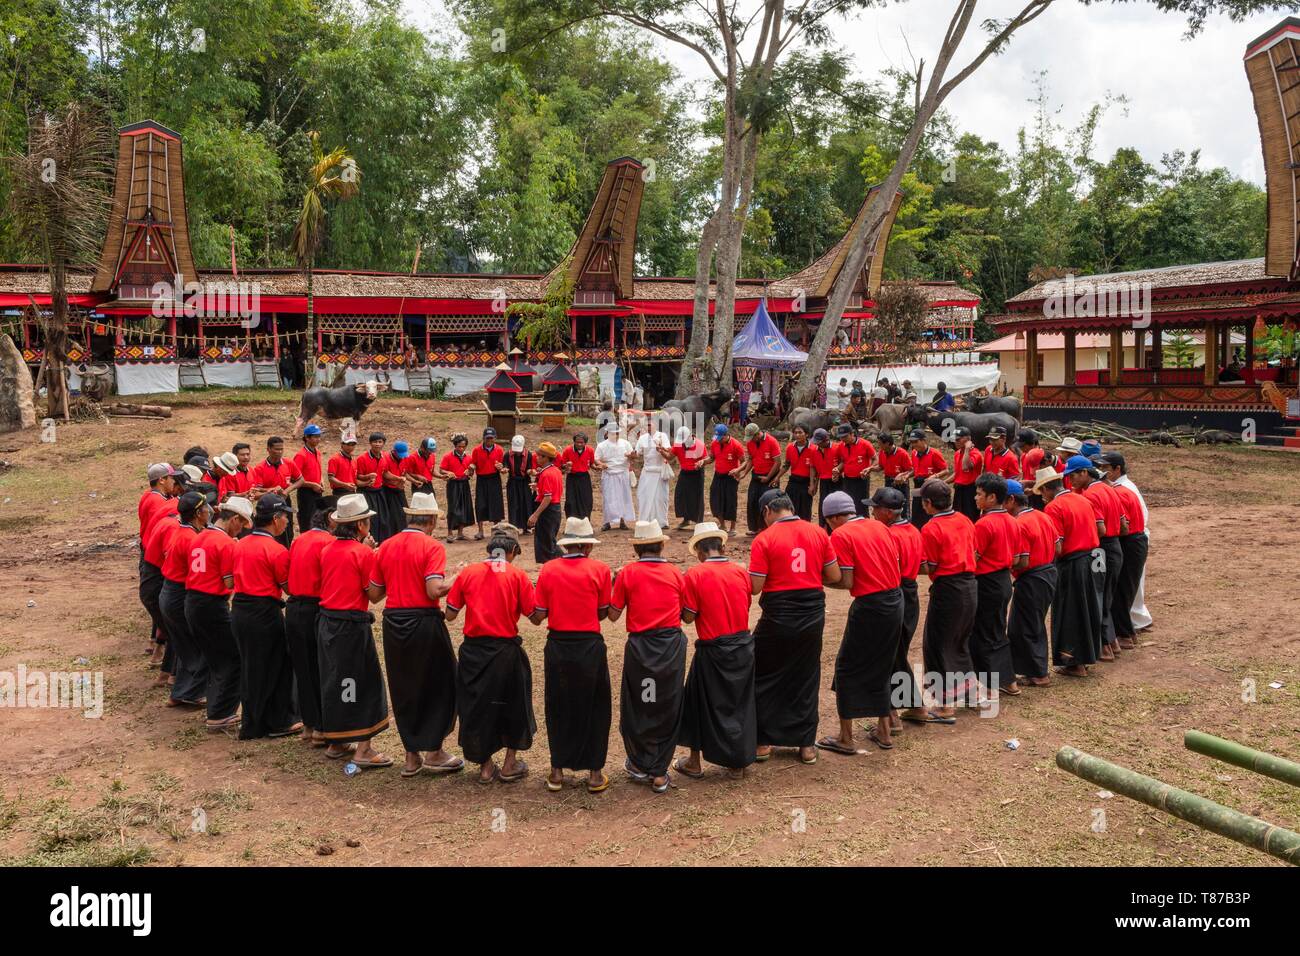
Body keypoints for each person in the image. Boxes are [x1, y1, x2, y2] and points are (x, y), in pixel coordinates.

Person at [367, 493, 462, 778]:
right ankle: (434, 750)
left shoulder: (386, 546)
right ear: (431, 520)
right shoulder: (431, 547)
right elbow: (434, 590)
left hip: (393, 621)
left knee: (404, 685)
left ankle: (411, 755)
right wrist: (458, 576)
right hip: (423, 620)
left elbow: (374, 594)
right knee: (440, 683)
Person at [748, 490, 841, 764]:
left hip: (779, 613)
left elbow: (755, 587)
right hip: (812, 613)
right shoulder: (818, 533)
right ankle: (805, 745)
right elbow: (834, 575)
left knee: (763, 675)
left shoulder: (764, 539)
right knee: (806, 675)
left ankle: (763, 742)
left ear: (767, 511)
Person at [445, 526, 537, 784]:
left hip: (474, 652)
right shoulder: (517, 576)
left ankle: (485, 767)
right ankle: (509, 764)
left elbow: (450, 614)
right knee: (514, 705)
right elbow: (535, 617)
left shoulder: (468, 573)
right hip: (505, 652)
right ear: (513, 551)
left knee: (476, 707)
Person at [530, 517, 613, 794]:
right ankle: (594, 773)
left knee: (558, 705)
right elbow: (603, 612)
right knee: (595, 706)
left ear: (566, 545)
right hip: (589, 644)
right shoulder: (599, 570)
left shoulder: (549, 569)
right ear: (588, 546)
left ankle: (557, 772)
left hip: (559, 644)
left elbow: (539, 615)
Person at [818, 491, 904, 753]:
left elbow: (846, 581)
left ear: (833, 518)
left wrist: (818, 577)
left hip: (870, 606)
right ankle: (884, 730)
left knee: (847, 667)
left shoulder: (842, 535)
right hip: (895, 599)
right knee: (883, 664)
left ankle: (846, 738)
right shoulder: (879, 526)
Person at [608, 520, 687, 794]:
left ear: (637, 549)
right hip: (669, 648)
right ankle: (660, 770)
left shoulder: (628, 573)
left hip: (642, 650)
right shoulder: (676, 573)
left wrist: (615, 581)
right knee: (667, 703)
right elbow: (687, 614)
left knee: (644, 702)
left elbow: (614, 614)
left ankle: (642, 761)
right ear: (662, 544)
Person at [316, 493, 391, 767]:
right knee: (361, 682)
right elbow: (373, 595)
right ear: (361, 526)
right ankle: (363, 749)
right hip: (351, 625)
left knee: (338, 682)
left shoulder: (326, 549)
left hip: (327, 622)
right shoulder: (361, 553)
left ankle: (337, 740)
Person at [678, 521, 756, 778]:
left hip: (713, 648)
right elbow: (745, 604)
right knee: (739, 703)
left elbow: (689, 617)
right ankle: (737, 762)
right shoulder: (740, 571)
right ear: (722, 546)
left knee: (697, 703)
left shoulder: (695, 575)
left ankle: (694, 761)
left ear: (700, 552)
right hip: (742, 644)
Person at [231, 494, 300, 740]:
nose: (287, 524)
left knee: (251, 666)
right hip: (264, 611)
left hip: (240, 609)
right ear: (275, 519)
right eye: (285, 518)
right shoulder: (276, 550)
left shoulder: (239, 544)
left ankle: (252, 721)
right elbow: (290, 587)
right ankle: (276, 721)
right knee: (275, 666)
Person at [185, 495, 252, 732]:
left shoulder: (201, 535)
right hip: (211, 604)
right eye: (242, 525)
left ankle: (216, 708)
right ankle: (220, 713)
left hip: (192, 601)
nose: (241, 531)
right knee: (234, 658)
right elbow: (228, 581)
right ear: (234, 519)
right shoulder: (225, 543)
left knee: (216, 658)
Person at [916, 479, 977, 723]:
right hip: (970, 585)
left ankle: (944, 705)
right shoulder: (964, 519)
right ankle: (970, 692)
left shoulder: (931, 528)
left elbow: (930, 564)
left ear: (929, 503)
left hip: (948, 587)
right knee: (960, 640)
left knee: (937, 643)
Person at [1037, 466, 1102, 677]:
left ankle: (1074, 662)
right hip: (1091, 558)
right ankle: (1086, 656)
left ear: (1047, 489)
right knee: (1087, 607)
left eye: (1042, 492)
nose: (1042, 497)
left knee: (1069, 612)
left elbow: (1058, 545)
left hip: (1071, 562)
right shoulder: (1083, 499)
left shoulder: (1054, 508)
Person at [869, 486, 925, 729]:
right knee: (895, 651)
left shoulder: (889, 535)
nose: (871, 513)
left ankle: (893, 714)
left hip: (894, 591)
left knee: (888, 653)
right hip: (910, 591)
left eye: (875, 508)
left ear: (888, 513)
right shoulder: (913, 530)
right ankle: (912, 707)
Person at [285, 496, 336, 747]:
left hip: (294, 607)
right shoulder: (329, 543)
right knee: (321, 669)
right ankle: (322, 727)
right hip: (316, 608)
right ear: (330, 518)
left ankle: (308, 725)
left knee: (303, 669)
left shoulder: (299, 539)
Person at [1069, 454, 1127, 661]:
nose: (1071, 480)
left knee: (1097, 597)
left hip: (1100, 549)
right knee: (1106, 596)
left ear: (1085, 473)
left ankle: (1104, 646)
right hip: (1115, 547)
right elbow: (1123, 525)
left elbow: (1099, 529)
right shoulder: (1108, 488)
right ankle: (1112, 643)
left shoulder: (1091, 495)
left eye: (1074, 475)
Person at [157, 491, 210, 708]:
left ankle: (179, 693)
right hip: (180, 596)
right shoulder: (193, 539)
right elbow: (200, 575)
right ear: (198, 513)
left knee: (184, 646)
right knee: (198, 646)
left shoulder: (180, 531)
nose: (210, 512)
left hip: (168, 593)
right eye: (206, 509)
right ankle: (192, 693)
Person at [971, 473, 1020, 698]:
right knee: (998, 629)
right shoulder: (1012, 520)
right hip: (1004, 580)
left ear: (992, 497)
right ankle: (1008, 681)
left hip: (986, 582)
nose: (975, 498)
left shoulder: (984, 524)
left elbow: (974, 558)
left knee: (982, 632)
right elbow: (1017, 557)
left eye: (979, 494)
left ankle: (989, 686)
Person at [1005, 479, 1057, 687]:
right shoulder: (1042, 515)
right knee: (1031, 623)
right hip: (1048, 571)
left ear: (1011, 500)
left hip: (1032, 576)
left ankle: (1038, 673)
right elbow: (1058, 546)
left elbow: (1022, 560)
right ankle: (1035, 670)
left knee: (1025, 626)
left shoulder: (1019, 523)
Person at [1095, 452, 1148, 651]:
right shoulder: (1124, 489)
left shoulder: (1120, 491)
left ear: (1117, 469)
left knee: (1121, 591)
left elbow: (1123, 526)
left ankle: (1125, 634)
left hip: (1129, 541)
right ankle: (1127, 633)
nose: (1104, 472)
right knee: (1124, 588)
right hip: (1134, 540)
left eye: (1106, 468)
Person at [139, 463, 181, 667]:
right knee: (165, 610)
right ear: (162, 480)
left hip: (150, 553)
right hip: (156, 558)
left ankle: (158, 648)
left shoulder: (152, 496)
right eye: (172, 478)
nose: (175, 483)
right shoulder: (157, 502)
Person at [740, 422, 782, 536]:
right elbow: (750, 460)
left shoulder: (772, 441)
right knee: (752, 501)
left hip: (770, 476)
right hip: (756, 476)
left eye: (752, 437)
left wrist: (768, 477)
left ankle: (768, 529)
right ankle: (755, 528)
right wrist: (744, 473)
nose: (751, 440)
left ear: (758, 434)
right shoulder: (751, 443)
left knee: (768, 503)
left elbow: (778, 462)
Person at [594, 424, 634, 531]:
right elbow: (596, 458)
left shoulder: (625, 443)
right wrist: (601, 464)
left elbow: (633, 456)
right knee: (608, 498)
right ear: (607, 433)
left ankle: (622, 521)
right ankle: (607, 522)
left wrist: (630, 455)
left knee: (623, 497)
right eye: (612, 433)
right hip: (609, 473)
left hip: (622, 473)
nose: (614, 435)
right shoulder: (602, 445)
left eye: (616, 433)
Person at [529, 442, 565, 562]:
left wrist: (535, 515)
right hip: (555, 509)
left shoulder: (546, 473)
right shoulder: (556, 471)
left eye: (539, 456)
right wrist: (538, 487)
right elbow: (552, 491)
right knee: (549, 542)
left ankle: (565, 562)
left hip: (548, 511)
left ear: (546, 457)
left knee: (547, 545)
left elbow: (548, 498)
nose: (537, 457)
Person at [908, 430, 950, 531]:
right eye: (912, 442)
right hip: (918, 484)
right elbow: (915, 469)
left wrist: (935, 476)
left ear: (924, 440)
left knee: (929, 510)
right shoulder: (914, 453)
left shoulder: (935, 453)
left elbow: (946, 470)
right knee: (917, 510)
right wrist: (907, 476)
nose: (914, 445)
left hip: (931, 485)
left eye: (916, 441)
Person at [634, 417, 673, 527]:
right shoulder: (642, 438)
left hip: (659, 471)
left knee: (661, 498)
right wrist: (632, 455)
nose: (648, 427)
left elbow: (669, 451)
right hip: (647, 471)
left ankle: (662, 522)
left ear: (655, 425)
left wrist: (661, 449)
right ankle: (645, 520)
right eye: (647, 425)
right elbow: (637, 453)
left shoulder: (662, 436)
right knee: (644, 496)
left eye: (650, 425)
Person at [708, 423, 745, 534]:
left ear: (726, 435)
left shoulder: (736, 445)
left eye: (720, 438)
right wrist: (703, 461)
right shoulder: (715, 443)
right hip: (718, 475)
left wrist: (738, 470)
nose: (718, 440)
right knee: (715, 499)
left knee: (731, 501)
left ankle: (733, 527)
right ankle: (722, 525)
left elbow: (744, 461)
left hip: (731, 476)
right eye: (717, 438)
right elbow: (711, 458)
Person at [439, 433, 476, 542]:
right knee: (453, 508)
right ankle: (450, 533)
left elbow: (471, 473)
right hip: (453, 484)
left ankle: (460, 533)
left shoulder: (468, 457)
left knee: (464, 507)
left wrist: (470, 470)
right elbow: (441, 470)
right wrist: (449, 472)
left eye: (463, 446)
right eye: (459, 446)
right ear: (455, 446)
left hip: (464, 483)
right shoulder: (448, 456)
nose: (461, 448)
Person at [470, 429, 506, 538]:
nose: (489, 440)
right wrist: (472, 467)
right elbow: (473, 464)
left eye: (491, 438)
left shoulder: (499, 450)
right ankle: (480, 531)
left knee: (496, 503)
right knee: (480, 504)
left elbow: (502, 466)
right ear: (483, 438)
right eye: (487, 438)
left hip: (494, 478)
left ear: (495, 438)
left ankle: (496, 529)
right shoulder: (476, 450)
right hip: (481, 479)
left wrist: (501, 468)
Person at [833, 423, 875, 517]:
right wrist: (838, 469)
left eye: (845, 436)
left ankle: (864, 525)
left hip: (861, 479)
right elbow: (844, 461)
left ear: (852, 434)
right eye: (841, 437)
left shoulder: (865, 444)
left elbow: (875, 458)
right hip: (847, 479)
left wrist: (869, 468)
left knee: (862, 504)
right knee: (848, 503)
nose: (843, 439)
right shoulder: (841, 446)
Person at [355, 432, 390, 541]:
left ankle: (381, 542)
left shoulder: (385, 457)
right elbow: (358, 476)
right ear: (370, 443)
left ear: (383, 443)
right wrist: (368, 477)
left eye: (380, 442)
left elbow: (385, 473)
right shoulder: (362, 458)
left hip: (379, 491)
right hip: (366, 492)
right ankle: (369, 541)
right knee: (371, 520)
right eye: (375, 442)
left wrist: (398, 479)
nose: (377, 444)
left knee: (383, 519)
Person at [671, 426, 707, 529]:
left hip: (697, 472)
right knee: (681, 494)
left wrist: (700, 464)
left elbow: (706, 459)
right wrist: (662, 451)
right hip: (684, 472)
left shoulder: (699, 445)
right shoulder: (678, 445)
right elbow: (670, 456)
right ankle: (686, 519)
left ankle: (699, 521)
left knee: (697, 496)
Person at [872, 433, 912, 521]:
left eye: (880, 444)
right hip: (888, 481)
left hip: (901, 483)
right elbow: (881, 467)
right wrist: (870, 469)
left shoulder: (902, 453)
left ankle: (905, 523)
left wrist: (903, 476)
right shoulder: (882, 452)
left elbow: (911, 470)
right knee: (888, 504)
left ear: (887, 443)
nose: (879, 446)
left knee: (903, 507)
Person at [293, 425, 326, 534]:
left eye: (319, 436)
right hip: (306, 493)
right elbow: (294, 479)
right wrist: (312, 485)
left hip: (317, 490)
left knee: (318, 519)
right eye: (315, 437)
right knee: (307, 521)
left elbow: (318, 469)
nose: (318, 439)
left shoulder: (318, 452)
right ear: (307, 438)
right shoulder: (301, 455)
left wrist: (321, 480)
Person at [782, 424, 818, 521]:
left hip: (806, 482)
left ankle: (804, 531)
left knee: (805, 509)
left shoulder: (813, 449)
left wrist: (813, 485)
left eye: (800, 432)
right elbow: (786, 465)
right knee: (789, 507)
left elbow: (814, 468)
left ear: (806, 434)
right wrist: (777, 477)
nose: (797, 435)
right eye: (795, 433)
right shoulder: (790, 447)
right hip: (793, 481)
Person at [558, 432, 596, 521]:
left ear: (585, 443)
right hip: (572, 477)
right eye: (577, 442)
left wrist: (598, 467)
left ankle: (585, 522)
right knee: (571, 501)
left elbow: (592, 464)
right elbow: (562, 465)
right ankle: (571, 522)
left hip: (584, 477)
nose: (579, 444)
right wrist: (566, 465)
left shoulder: (590, 450)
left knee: (586, 500)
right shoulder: (568, 450)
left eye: (581, 442)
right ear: (574, 442)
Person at [378, 440, 410, 540]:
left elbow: (404, 472)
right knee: (392, 516)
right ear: (394, 451)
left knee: (405, 513)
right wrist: (398, 479)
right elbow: (384, 474)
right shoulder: (385, 458)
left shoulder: (405, 458)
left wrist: (401, 482)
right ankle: (393, 537)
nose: (402, 456)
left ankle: (404, 535)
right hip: (388, 490)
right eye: (400, 454)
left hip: (399, 490)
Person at [505, 435, 536, 531]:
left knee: (526, 503)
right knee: (513, 504)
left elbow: (530, 468)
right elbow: (505, 466)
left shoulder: (529, 455)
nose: (517, 452)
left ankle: (527, 526)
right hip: (513, 481)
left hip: (525, 481)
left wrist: (530, 471)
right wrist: (504, 469)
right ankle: (514, 526)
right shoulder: (507, 455)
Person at [951, 427, 982, 522]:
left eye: (958, 439)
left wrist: (967, 450)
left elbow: (965, 467)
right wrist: (943, 482)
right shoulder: (957, 453)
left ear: (968, 439)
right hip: (959, 489)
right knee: (957, 517)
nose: (955, 442)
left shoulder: (975, 453)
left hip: (970, 490)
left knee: (970, 517)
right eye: (954, 440)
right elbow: (957, 473)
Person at [811, 428, 838, 528]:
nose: (817, 444)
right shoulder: (814, 450)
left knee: (836, 504)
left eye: (819, 442)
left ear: (826, 440)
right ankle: (823, 527)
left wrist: (838, 471)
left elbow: (843, 462)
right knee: (823, 504)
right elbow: (815, 468)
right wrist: (814, 484)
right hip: (823, 481)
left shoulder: (837, 448)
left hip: (836, 481)